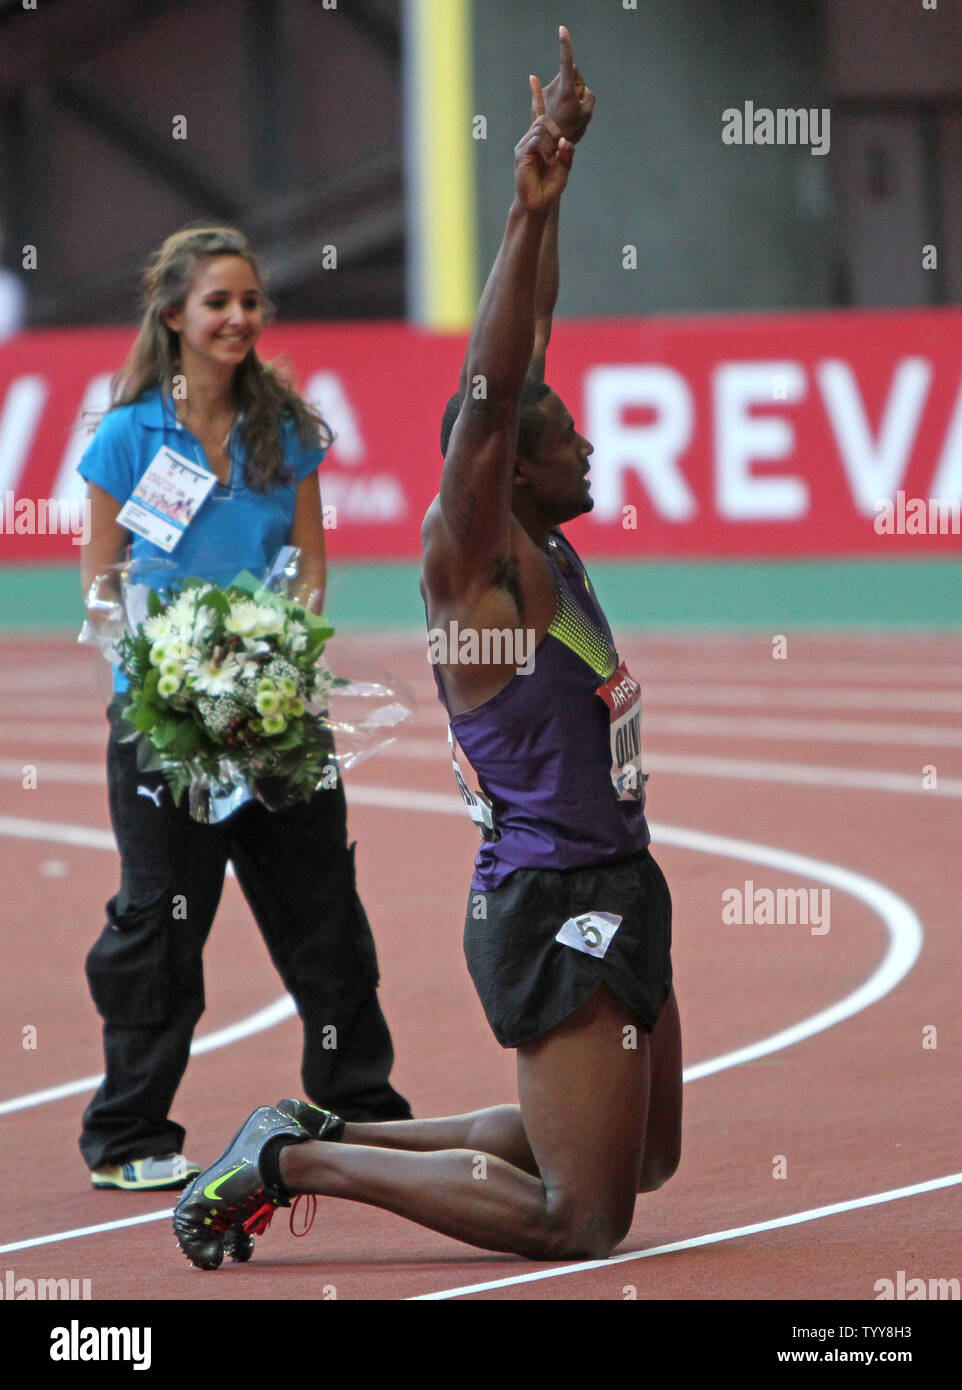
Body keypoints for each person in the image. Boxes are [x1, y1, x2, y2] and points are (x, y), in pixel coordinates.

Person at [173, 29, 682, 1270]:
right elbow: (500, 382)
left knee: (642, 1158)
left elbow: (532, 344)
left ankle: (314, 1125)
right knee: (581, 1217)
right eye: (560, 434)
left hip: (614, 878)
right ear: (509, 460)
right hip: (551, 899)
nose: (586, 444)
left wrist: (552, 191)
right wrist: (517, 206)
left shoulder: (540, 554)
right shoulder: (478, 564)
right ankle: (294, 1163)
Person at [78, 225, 411, 1194]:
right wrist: (161, 671)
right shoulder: (129, 433)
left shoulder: (287, 426)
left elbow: (308, 565)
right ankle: (130, 1132)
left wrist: (277, 655)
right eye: (217, 302)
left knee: (324, 916)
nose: (237, 318)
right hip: (161, 723)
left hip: (274, 717)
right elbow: (102, 582)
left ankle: (362, 1107)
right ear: (173, 314)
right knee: (160, 924)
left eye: (250, 302)